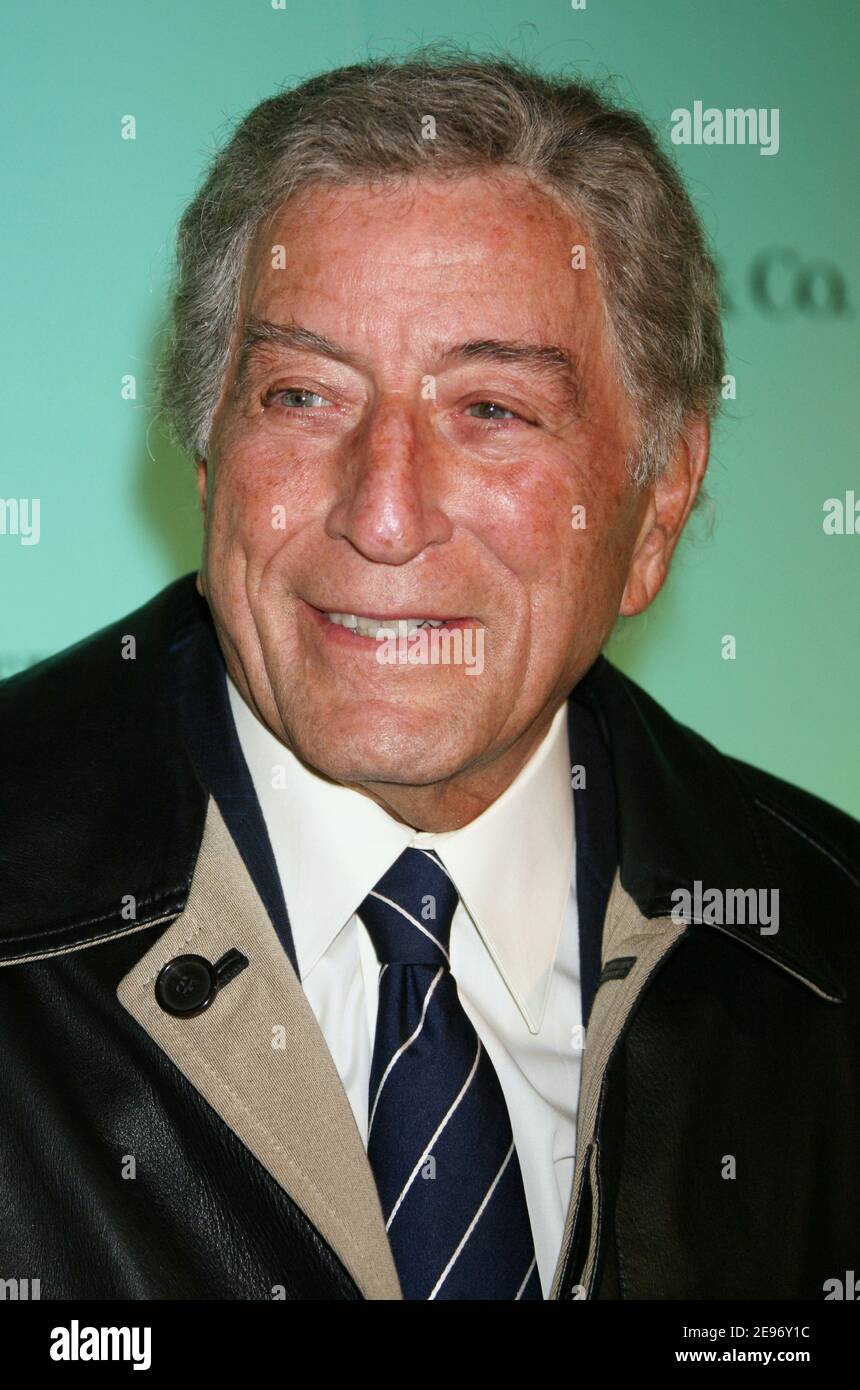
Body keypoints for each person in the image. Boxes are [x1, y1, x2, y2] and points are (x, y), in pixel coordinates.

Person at [1, 50, 857, 1301]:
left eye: (490, 410)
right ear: (205, 456)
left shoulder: (825, 959)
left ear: (659, 494)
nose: (384, 512)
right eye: (301, 394)